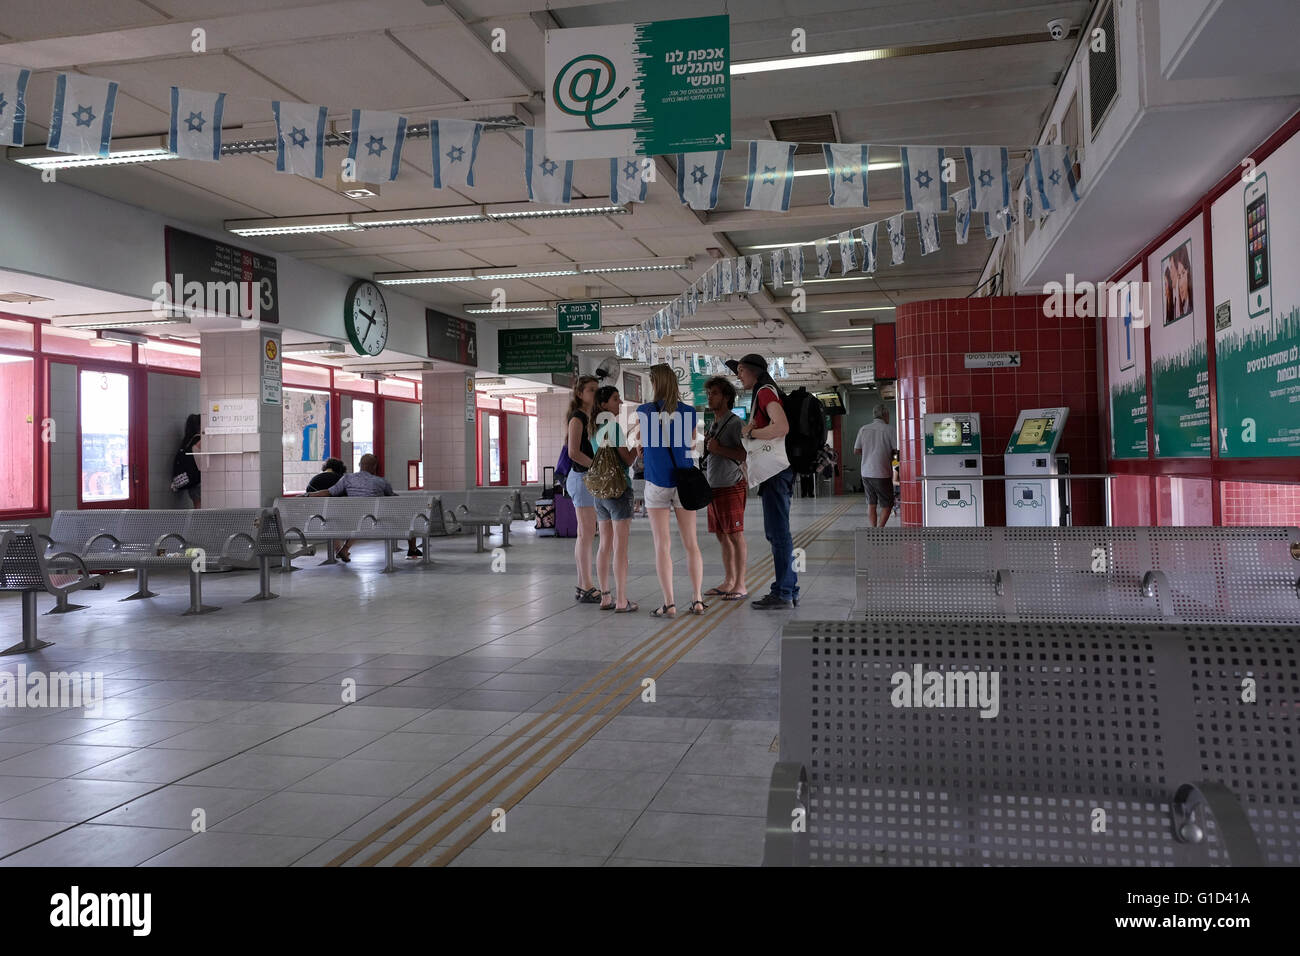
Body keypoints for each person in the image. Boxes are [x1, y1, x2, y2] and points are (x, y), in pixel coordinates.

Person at [635, 363, 705, 618]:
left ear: (656, 384)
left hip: (657, 483)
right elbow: (692, 446)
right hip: (684, 482)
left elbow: (642, 444)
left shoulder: (644, 411)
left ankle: (669, 603)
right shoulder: (689, 412)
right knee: (691, 544)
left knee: (661, 545)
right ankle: (697, 599)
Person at [727, 353, 796, 610]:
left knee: (778, 534)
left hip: (775, 473)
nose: (738, 375)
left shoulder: (765, 392)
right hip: (777, 473)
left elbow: (781, 427)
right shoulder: (764, 392)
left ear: (752, 371)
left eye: (741, 370)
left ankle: (784, 591)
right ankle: (789, 587)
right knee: (778, 532)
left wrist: (751, 432)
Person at [308, 453, 421, 561]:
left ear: (359, 465)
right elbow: (392, 499)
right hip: (377, 522)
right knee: (408, 517)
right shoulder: (380, 481)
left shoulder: (347, 478)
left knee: (360, 520)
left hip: (351, 520)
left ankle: (345, 548)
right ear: (374, 467)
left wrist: (309, 494)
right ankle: (412, 549)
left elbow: (329, 492)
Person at [588, 385, 638, 612]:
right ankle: (622, 600)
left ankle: (606, 595)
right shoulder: (613, 427)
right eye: (615, 399)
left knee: (604, 544)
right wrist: (637, 446)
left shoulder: (594, 429)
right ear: (603, 404)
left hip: (600, 493)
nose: (619, 403)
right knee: (621, 547)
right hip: (619, 490)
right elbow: (626, 460)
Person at [702, 376, 748, 601]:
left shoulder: (735, 423)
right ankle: (729, 580)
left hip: (731, 485)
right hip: (715, 486)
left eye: (715, 393)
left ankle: (740, 584)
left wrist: (719, 449)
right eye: (709, 393)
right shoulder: (715, 423)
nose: (710, 397)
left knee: (735, 534)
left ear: (727, 397)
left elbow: (745, 455)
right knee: (721, 535)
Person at [563, 375, 601, 603]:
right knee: (586, 534)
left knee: (585, 534)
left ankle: (582, 583)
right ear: (580, 394)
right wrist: (597, 465)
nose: (595, 394)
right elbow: (573, 453)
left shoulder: (588, 417)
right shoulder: (577, 418)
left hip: (585, 478)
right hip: (581, 478)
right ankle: (586, 584)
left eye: (597, 390)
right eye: (591, 390)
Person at [854, 404, 897, 527]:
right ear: (885, 415)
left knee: (871, 503)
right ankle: (879, 529)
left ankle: (873, 530)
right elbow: (896, 449)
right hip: (881, 472)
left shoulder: (863, 429)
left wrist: (868, 450)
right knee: (888, 504)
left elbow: (856, 450)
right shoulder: (890, 429)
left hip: (866, 472)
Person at [179, 413, 202, 508]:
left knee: (197, 506)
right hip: (198, 480)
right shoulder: (199, 440)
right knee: (201, 509)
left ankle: (196, 522)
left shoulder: (186, 441)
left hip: (191, 480)